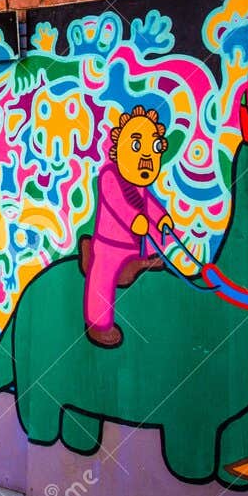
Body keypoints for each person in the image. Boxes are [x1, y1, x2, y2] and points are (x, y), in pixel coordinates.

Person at [85, 106, 174, 348]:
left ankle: (142, 261)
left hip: (133, 246)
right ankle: (98, 323)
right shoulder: (109, 177)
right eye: (137, 146)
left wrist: (162, 218)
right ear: (119, 149)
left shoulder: (141, 186)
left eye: (154, 149)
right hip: (109, 245)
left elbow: (151, 206)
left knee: (153, 238)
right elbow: (118, 205)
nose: (147, 156)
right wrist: (136, 219)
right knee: (102, 277)